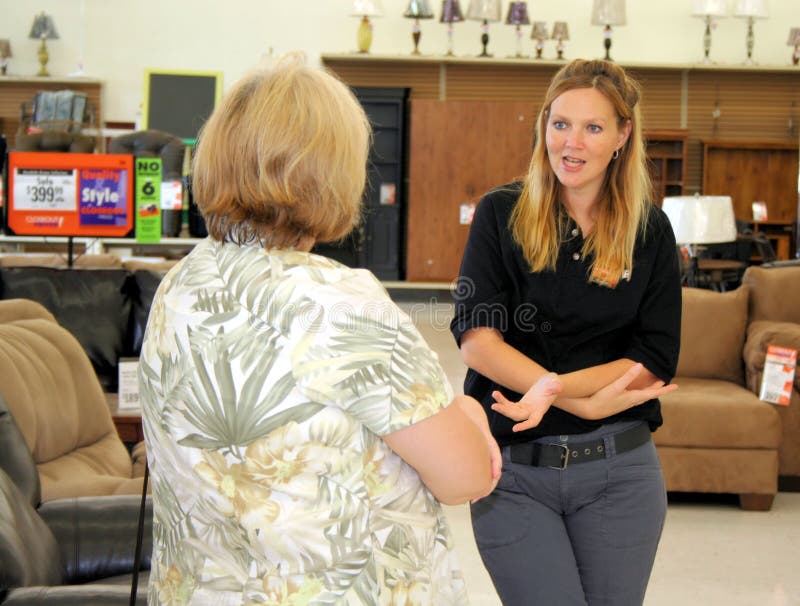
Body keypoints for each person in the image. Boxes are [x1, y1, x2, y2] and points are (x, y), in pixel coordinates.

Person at [137, 54, 561, 605]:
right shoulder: (341, 305)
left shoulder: (179, 284)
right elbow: (466, 477)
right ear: (333, 173)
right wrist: (472, 413)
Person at [450, 58, 682, 605]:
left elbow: (655, 357)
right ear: (543, 126)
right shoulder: (500, 213)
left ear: (623, 135)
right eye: (560, 123)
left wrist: (555, 390)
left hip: (622, 475)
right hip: (513, 474)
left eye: (593, 127)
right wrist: (579, 400)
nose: (571, 143)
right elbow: (477, 339)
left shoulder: (650, 230)